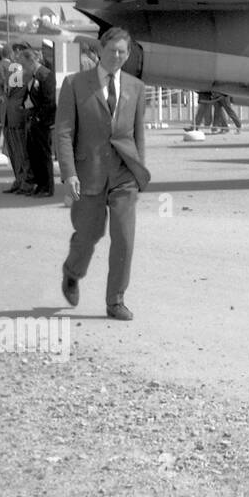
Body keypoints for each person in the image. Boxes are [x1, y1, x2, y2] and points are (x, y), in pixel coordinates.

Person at [55, 28, 151, 321]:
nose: (118, 57)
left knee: (124, 238)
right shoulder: (75, 84)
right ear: (100, 49)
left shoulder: (136, 87)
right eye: (113, 51)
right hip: (88, 174)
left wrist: (139, 172)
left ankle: (115, 300)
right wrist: (69, 173)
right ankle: (72, 272)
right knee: (89, 234)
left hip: (124, 175)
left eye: (124, 52)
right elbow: (63, 132)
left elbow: (137, 135)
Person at [18, 47, 56, 197]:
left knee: (43, 155)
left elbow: (49, 101)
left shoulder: (45, 75)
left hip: (42, 122)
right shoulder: (33, 75)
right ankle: (40, 184)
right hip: (32, 119)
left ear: (31, 60)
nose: (23, 67)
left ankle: (47, 186)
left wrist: (39, 118)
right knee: (34, 154)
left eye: (24, 64)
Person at [0, 47, 34, 193]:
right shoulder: (11, 76)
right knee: (13, 151)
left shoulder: (27, 76)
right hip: (8, 117)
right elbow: (3, 90)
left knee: (21, 151)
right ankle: (19, 179)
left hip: (18, 117)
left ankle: (26, 181)